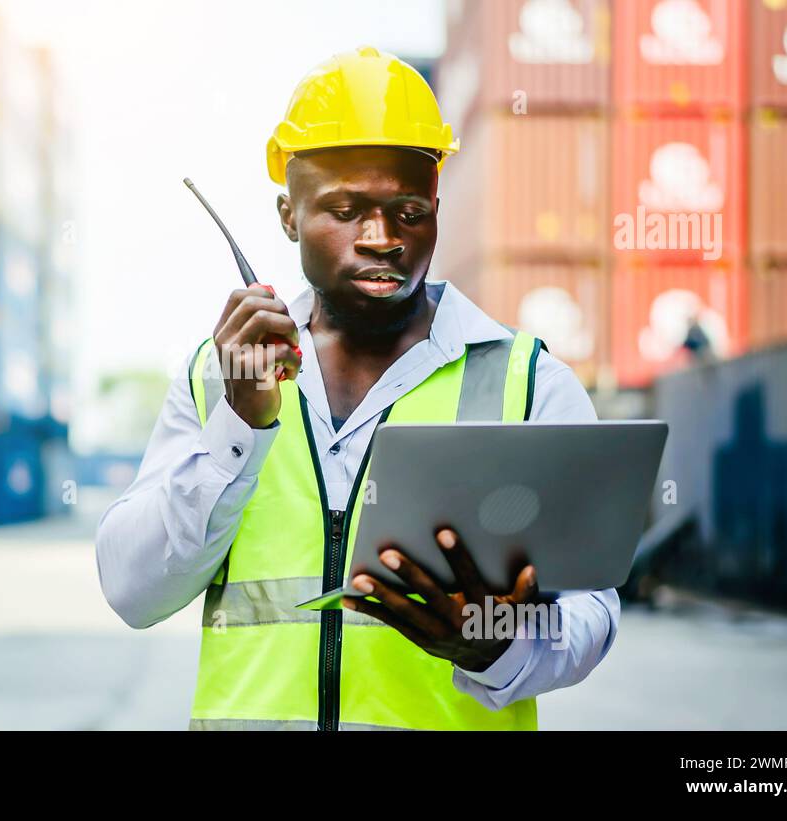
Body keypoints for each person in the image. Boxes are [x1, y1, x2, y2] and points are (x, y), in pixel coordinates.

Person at [95, 47, 618, 731]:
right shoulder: (213, 376)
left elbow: (593, 610)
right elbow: (134, 589)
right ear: (289, 216)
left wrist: (498, 646)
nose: (380, 238)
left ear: (435, 207)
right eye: (344, 209)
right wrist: (239, 428)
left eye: (407, 211)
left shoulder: (525, 381)